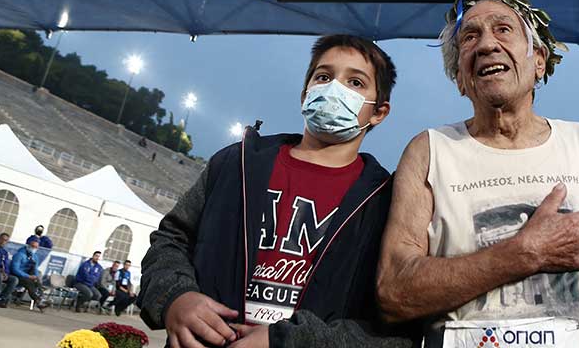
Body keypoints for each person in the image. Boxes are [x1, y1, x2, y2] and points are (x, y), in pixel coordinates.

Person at [377, 0, 579, 347]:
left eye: (503, 29)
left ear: (539, 61)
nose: (487, 44)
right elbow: (394, 291)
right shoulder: (429, 152)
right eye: (470, 37)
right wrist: (523, 252)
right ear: (460, 78)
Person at [139, 34, 415, 348]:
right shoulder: (235, 163)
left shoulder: (384, 201)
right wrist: (175, 297)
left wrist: (289, 340)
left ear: (379, 111)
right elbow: (171, 240)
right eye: (323, 77)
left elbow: (392, 331)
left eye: (355, 82)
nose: (334, 88)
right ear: (305, 95)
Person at [11, 238, 49, 312]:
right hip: (17, 275)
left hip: (28, 276)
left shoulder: (35, 257)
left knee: (37, 282)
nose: (34, 248)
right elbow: (15, 269)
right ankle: (38, 300)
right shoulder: (19, 255)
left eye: (36, 247)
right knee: (29, 282)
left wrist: (36, 277)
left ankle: (41, 299)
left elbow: (35, 270)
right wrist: (28, 276)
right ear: (27, 245)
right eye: (32, 246)